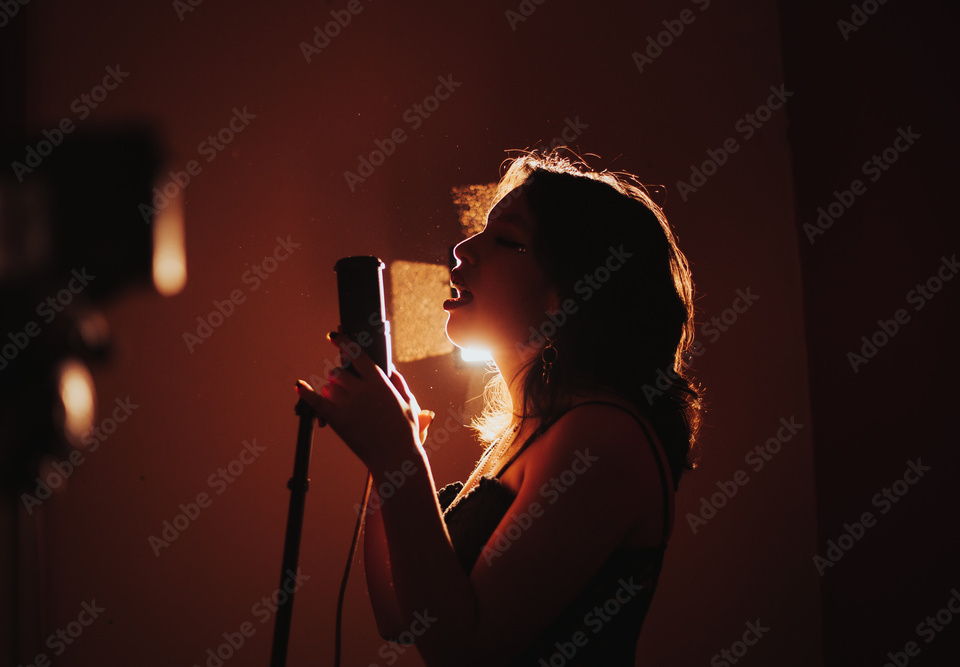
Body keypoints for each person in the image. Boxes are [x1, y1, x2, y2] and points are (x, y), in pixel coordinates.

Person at [296, 149, 702, 666]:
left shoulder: (601, 438)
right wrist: (393, 458)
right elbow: (400, 616)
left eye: (507, 240)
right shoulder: (527, 436)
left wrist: (400, 457)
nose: (461, 249)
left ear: (570, 292)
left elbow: (465, 650)